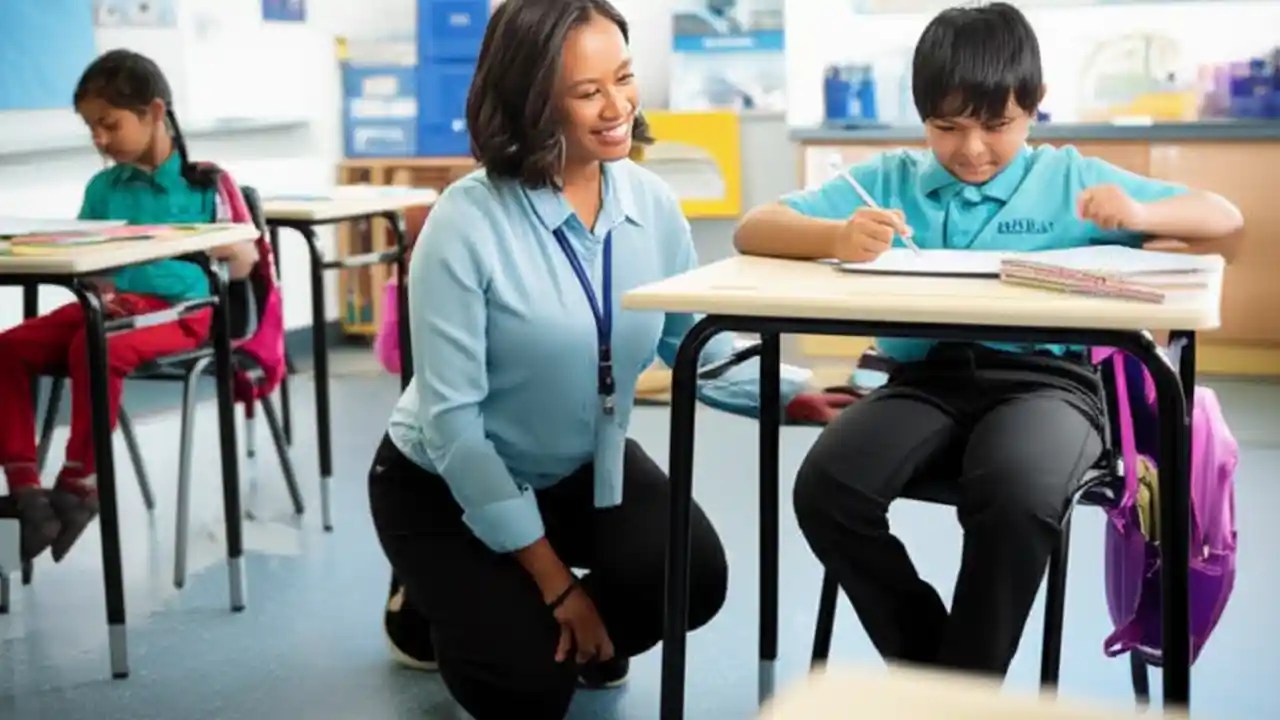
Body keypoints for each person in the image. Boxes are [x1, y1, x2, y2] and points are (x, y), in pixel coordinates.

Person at [734, 2, 1243, 677]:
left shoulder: (1070, 179)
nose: (971, 150)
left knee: (1015, 490)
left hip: (1049, 386)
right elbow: (753, 227)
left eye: (996, 125)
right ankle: (938, 680)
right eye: (947, 127)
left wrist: (1142, 213)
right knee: (828, 488)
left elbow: (1222, 216)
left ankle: (963, 687)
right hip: (923, 382)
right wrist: (833, 236)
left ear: (1034, 107)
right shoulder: (889, 181)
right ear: (922, 117)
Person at [367, 1, 812, 717]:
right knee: (524, 686)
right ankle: (425, 597)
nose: (619, 108)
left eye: (625, 78)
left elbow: (692, 343)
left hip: (577, 466)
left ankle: (566, 633)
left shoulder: (651, 203)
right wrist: (560, 588)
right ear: (531, 100)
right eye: (587, 91)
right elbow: (453, 427)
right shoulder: (465, 223)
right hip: (442, 481)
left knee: (692, 577)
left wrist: (791, 395)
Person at [0, 49, 258, 564]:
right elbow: (89, 267)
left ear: (155, 113)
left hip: (186, 313)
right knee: (9, 348)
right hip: (114, 307)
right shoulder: (102, 187)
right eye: (91, 127)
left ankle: (80, 486)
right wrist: (100, 289)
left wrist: (216, 242)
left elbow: (246, 262)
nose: (99, 138)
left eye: (109, 124)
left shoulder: (205, 182)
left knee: (95, 347)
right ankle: (27, 495)